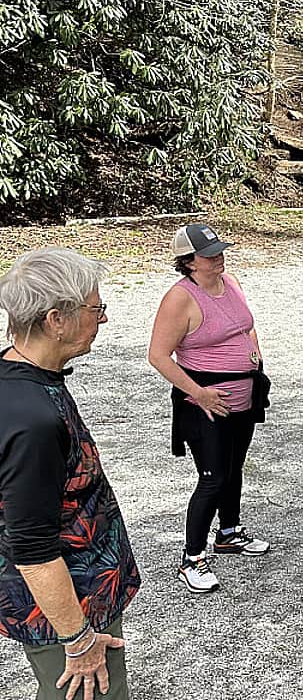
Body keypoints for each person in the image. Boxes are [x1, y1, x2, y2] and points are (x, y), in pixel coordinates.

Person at [0, 248, 140, 700]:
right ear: (56, 319)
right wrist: (78, 641)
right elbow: (32, 547)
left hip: (75, 594)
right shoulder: (33, 420)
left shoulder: (20, 378)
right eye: (96, 309)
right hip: (67, 608)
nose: (102, 320)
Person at [148, 224, 271, 594]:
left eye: (219, 249)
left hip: (243, 396)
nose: (218, 257)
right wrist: (199, 394)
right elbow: (158, 356)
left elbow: (246, 326)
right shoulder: (180, 298)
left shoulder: (230, 281)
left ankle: (229, 532)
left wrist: (255, 358)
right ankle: (192, 557)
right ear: (188, 261)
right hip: (205, 403)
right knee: (213, 477)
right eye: (209, 253)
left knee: (234, 468)